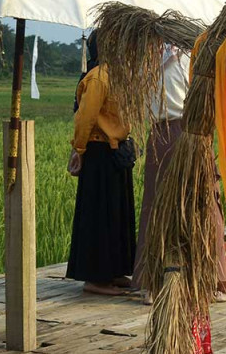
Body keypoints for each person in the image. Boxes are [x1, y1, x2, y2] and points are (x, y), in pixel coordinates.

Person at [133, 45, 226, 304]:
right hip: (187, 133)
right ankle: (207, 284)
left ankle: (155, 285)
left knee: (161, 207)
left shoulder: (150, 57)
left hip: (167, 135)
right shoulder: (191, 57)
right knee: (203, 206)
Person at [66, 30, 136, 296]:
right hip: (98, 153)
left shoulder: (118, 75)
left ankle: (114, 272)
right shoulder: (98, 78)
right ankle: (96, 279)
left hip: (115, 155)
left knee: (116, 215)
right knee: (100, 216)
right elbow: (85, 119)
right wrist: (79, 150)